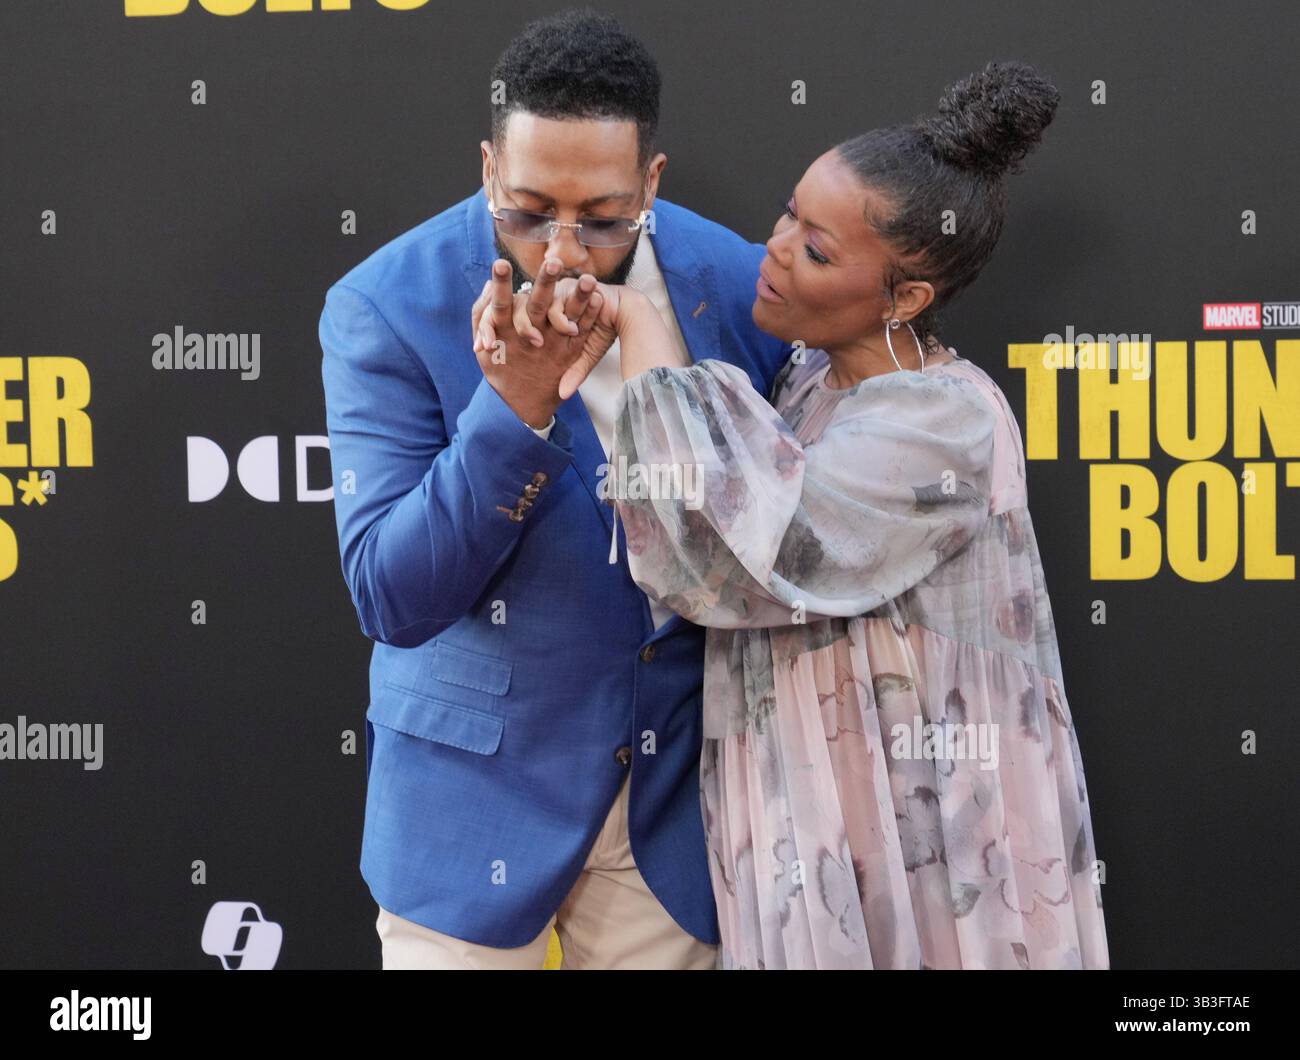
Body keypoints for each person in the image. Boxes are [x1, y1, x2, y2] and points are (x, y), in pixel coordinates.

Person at [482, 60, 1111, 969]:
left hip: (917, 813)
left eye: (816, 251)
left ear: (905, 299)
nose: (774, 251)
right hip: (807, 802)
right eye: (788, 216)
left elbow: (732, 560)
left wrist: (642, 324)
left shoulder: (947, 422)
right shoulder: (808, 380)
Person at [318, 8, 788, 969]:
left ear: (651, 182)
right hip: (469, 803)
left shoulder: (741, 287)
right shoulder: (386, 304)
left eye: (605, 220)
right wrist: (513, 412)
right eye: (528, 213)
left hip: (678, 810)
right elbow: (392, 597)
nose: (565, 250)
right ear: (489, 167)